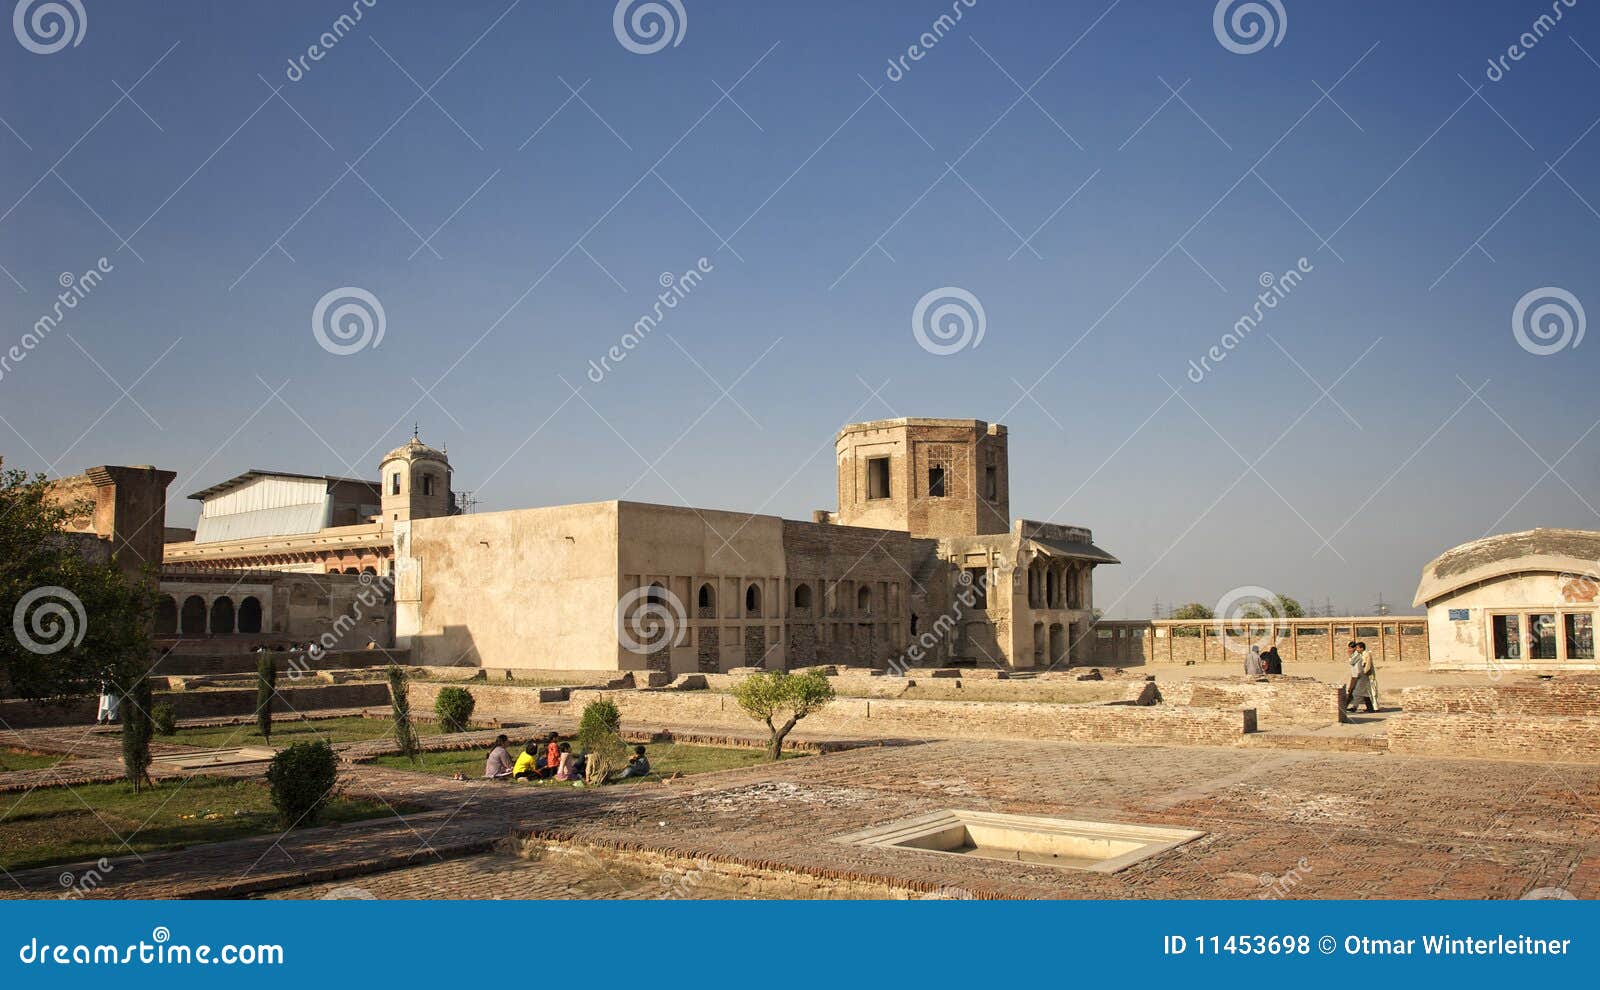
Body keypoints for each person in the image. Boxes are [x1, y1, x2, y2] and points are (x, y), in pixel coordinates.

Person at [1346, 641, 1379, 713]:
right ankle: (1370, 708)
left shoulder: (1365, 654)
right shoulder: (1361, 654)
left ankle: (1374, 708)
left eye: (1357, 648)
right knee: (1366, 693)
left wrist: (1363, 673)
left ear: (1361, 648)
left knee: (1362, 693)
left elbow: (1367, 666)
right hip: (1362, 676)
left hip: (1367, 676)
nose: (1357, 649)